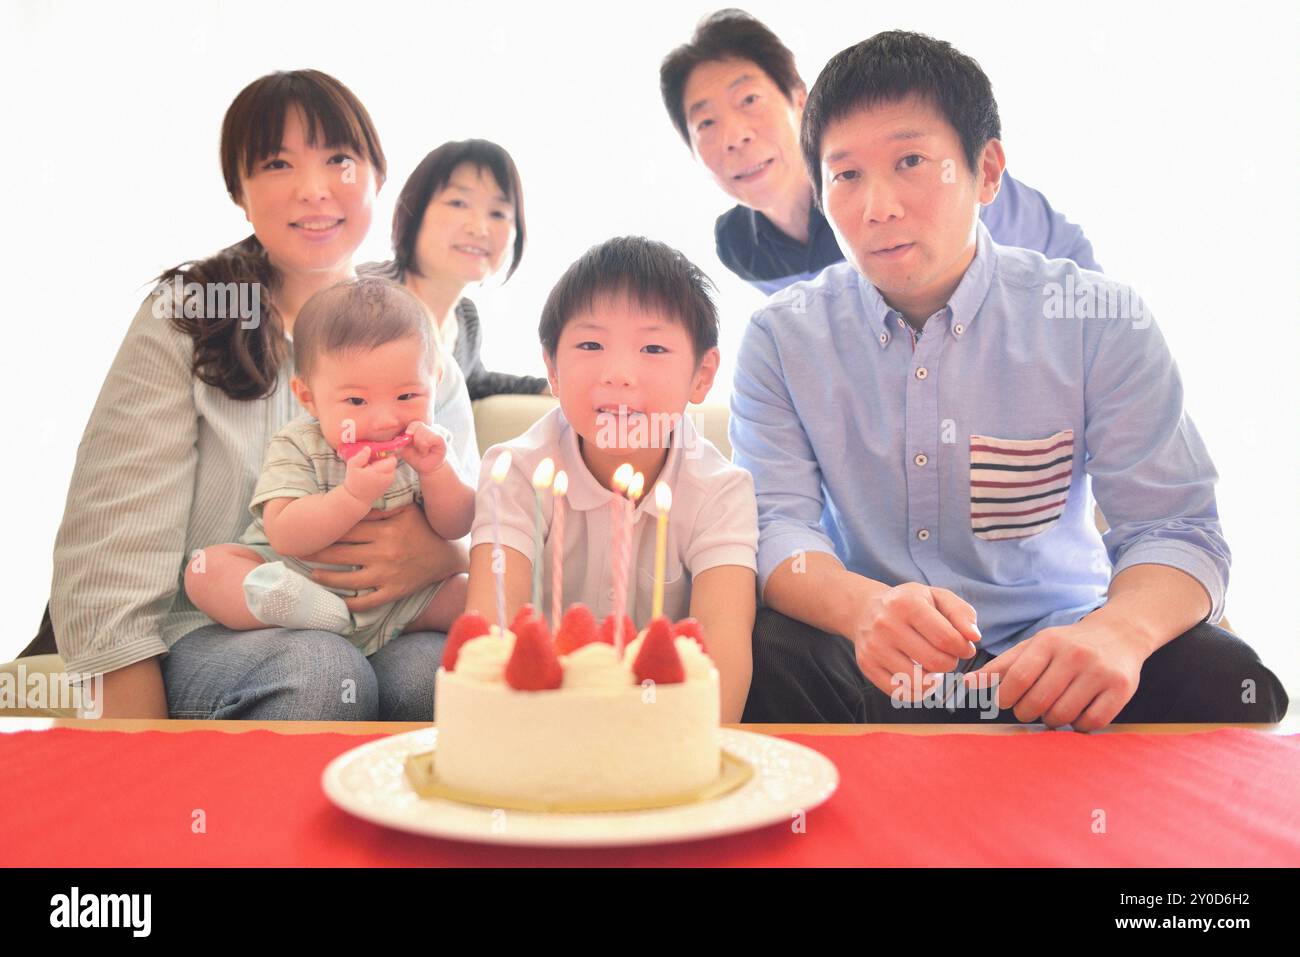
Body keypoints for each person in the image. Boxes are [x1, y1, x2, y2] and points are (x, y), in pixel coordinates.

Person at [729, 31, 1289, 728]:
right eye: (846, 175)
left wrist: (1116, 633)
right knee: (772, 651)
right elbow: (779, 527)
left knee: (1222, 673)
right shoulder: (782, 340)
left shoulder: (1095, 317)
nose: (877, 207)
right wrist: (862, 606)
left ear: (987, 170)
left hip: (1062, 649)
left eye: (909, 161)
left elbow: (1176, 527)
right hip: (883, 659)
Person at [48, 71, 478, 720]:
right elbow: (113, 548)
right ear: (240, 193)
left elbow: (479, 519)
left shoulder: (414, 338)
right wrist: (134, 755)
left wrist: (443, 554)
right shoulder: (187, 317)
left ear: (377, 179)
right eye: (278, 163)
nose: (313, 189)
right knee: (316, 670)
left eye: (340, 159)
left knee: (444, 676)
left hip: (384, 623)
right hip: (209, 635)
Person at [463, 237, 758, 722]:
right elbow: (491, 633)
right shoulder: (515, 473)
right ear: (551, 369)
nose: (618, 373)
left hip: (665, 721)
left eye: (654, 347)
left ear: (703, 375)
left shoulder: (721, 491)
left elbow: (722, 647)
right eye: (591, 344)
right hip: (537, 718)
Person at [660, 9, 1101, 295]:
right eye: (706, 123)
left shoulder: (919, 183)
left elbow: (1062, 265)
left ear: (800, 99)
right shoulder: (739, 248)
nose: (734, 137)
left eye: (749, 101)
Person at [184, 278, 475, 653]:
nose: (386, 419)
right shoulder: (299, 445)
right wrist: (353, 496)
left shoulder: (430, 447)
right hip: (298, 581)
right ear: (308, 398)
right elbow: (285, 534)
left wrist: (437, 473)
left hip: (401, 602)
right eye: (356, 401)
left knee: (478, 593)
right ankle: (309, 612)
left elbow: (457, 526)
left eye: (407, 395)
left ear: (434, 381)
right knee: (206, 569)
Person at [364, 139, 549, 399]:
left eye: (498, 213)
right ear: (414, 209)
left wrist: (556, 388)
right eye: (458, 203)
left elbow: (476, 382)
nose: (479, 229)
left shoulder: (465, 319)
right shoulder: (365, 294)